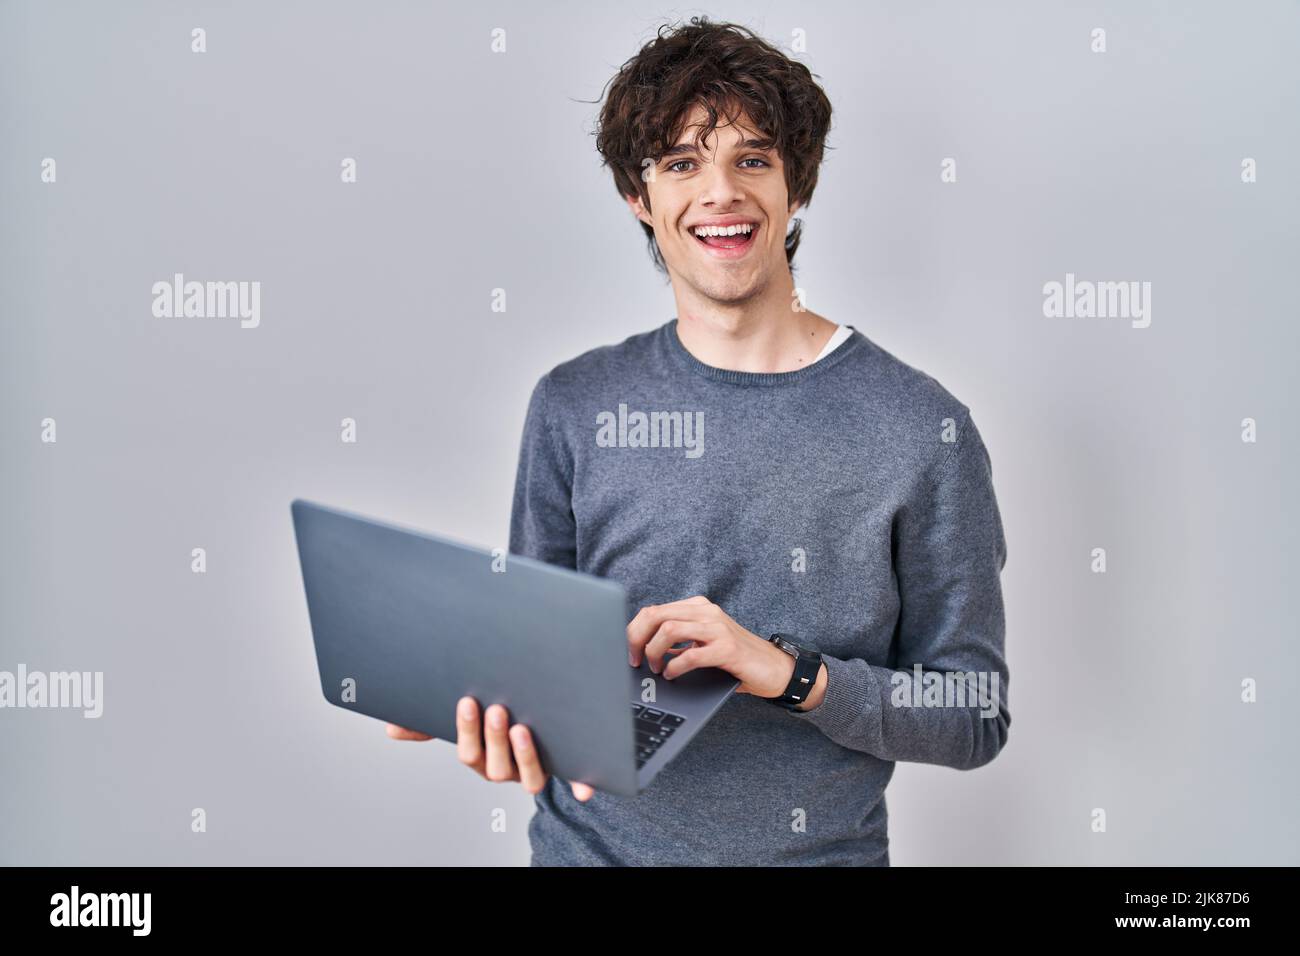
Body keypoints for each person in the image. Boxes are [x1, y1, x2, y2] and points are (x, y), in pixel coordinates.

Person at [388, 15, 1010, 866]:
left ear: (799, 185)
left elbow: (973, 715)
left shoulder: (921, 429)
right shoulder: (574, 403)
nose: (720, 192)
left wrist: (790, 673)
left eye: (751, 159)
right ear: (639, 198)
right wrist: (464, 698)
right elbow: (541, 665)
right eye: (681, 163)